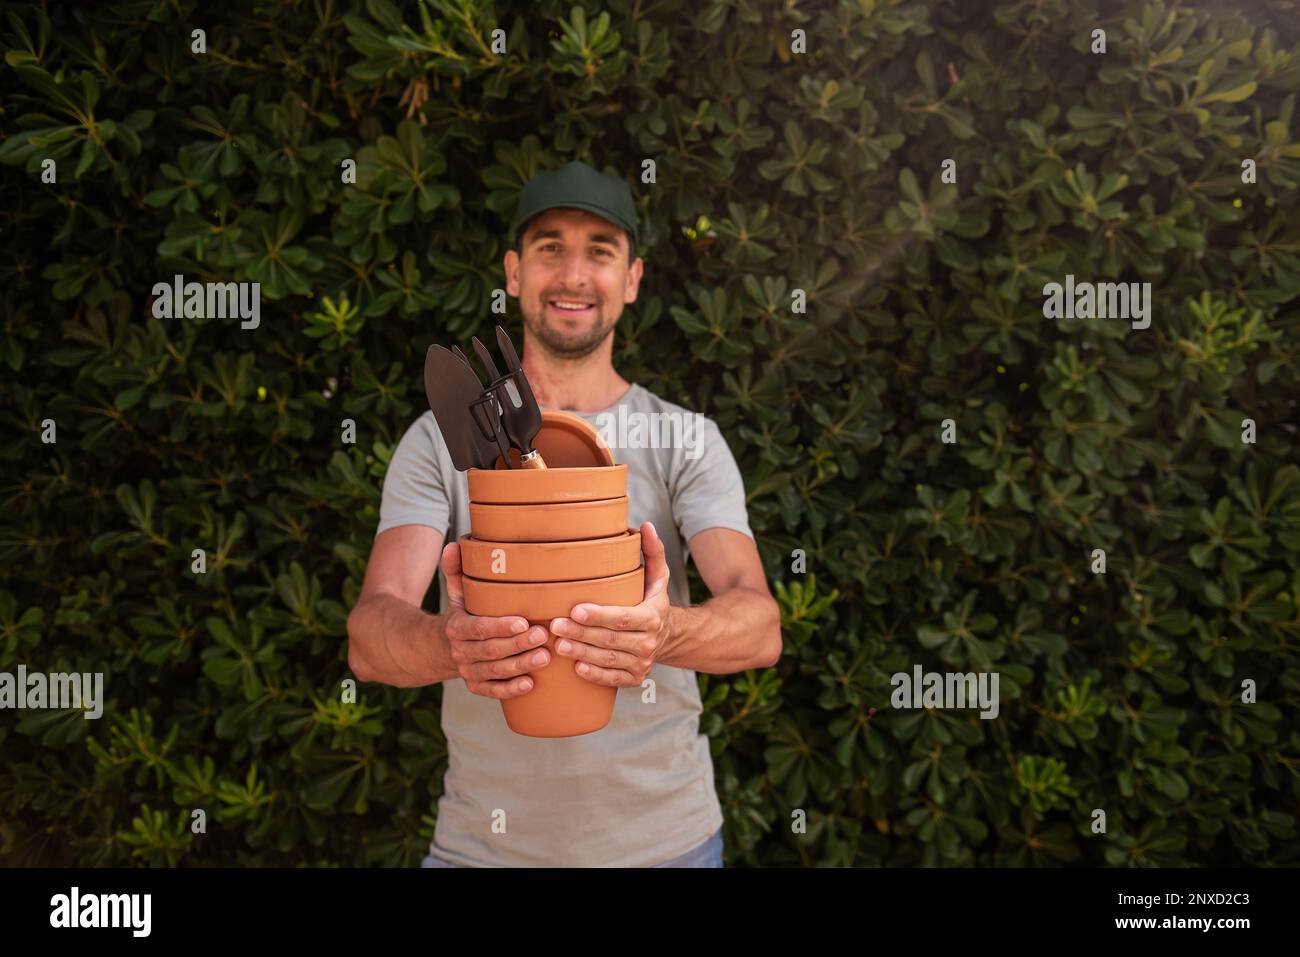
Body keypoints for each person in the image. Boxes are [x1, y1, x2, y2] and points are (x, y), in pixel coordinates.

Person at [346, 159, 782, 868]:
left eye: (600, 252)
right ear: (515, 272)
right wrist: (452, 643)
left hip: (667, 846)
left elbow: (759, 626)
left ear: (632, 279)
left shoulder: (686, 439)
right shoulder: (440, 441)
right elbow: (370, 638)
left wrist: (661, 632)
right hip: (481, 849)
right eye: (551, 248)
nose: (574, 275)